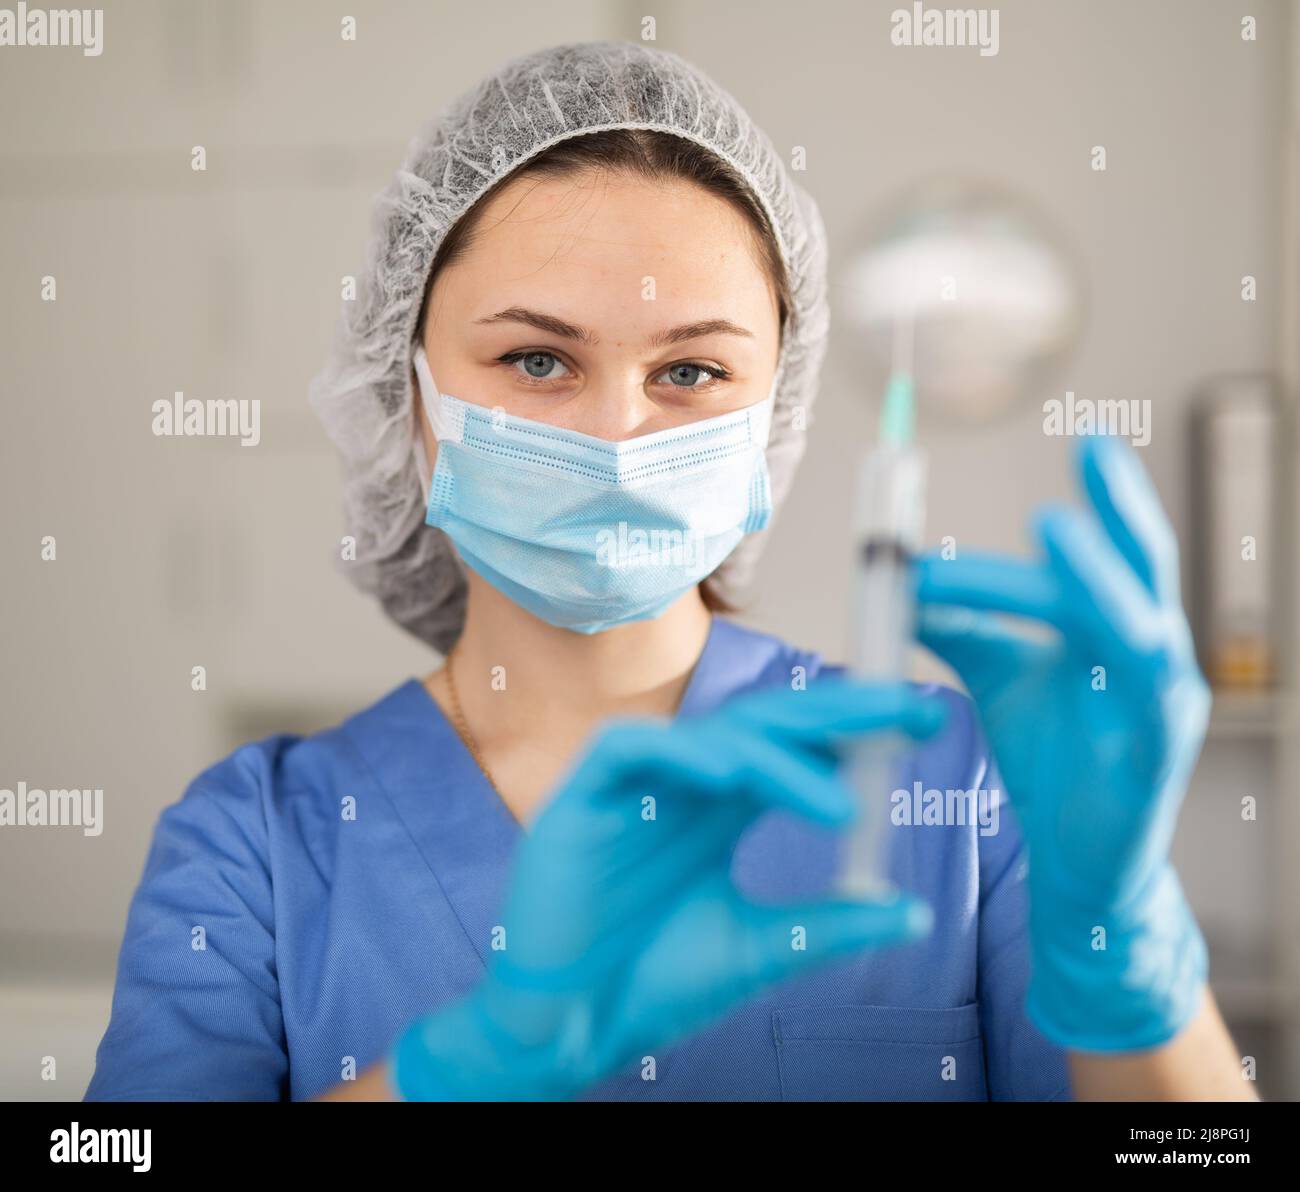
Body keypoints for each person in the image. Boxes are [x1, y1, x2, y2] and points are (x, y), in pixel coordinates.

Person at [85, 41, 1250, 1103]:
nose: (616, 435)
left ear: (774, 408)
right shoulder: (257, 843)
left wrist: (1122, 937)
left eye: (689, 372)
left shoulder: (957, 786)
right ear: (410, 393)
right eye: (537, 357)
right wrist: (480, 1065)